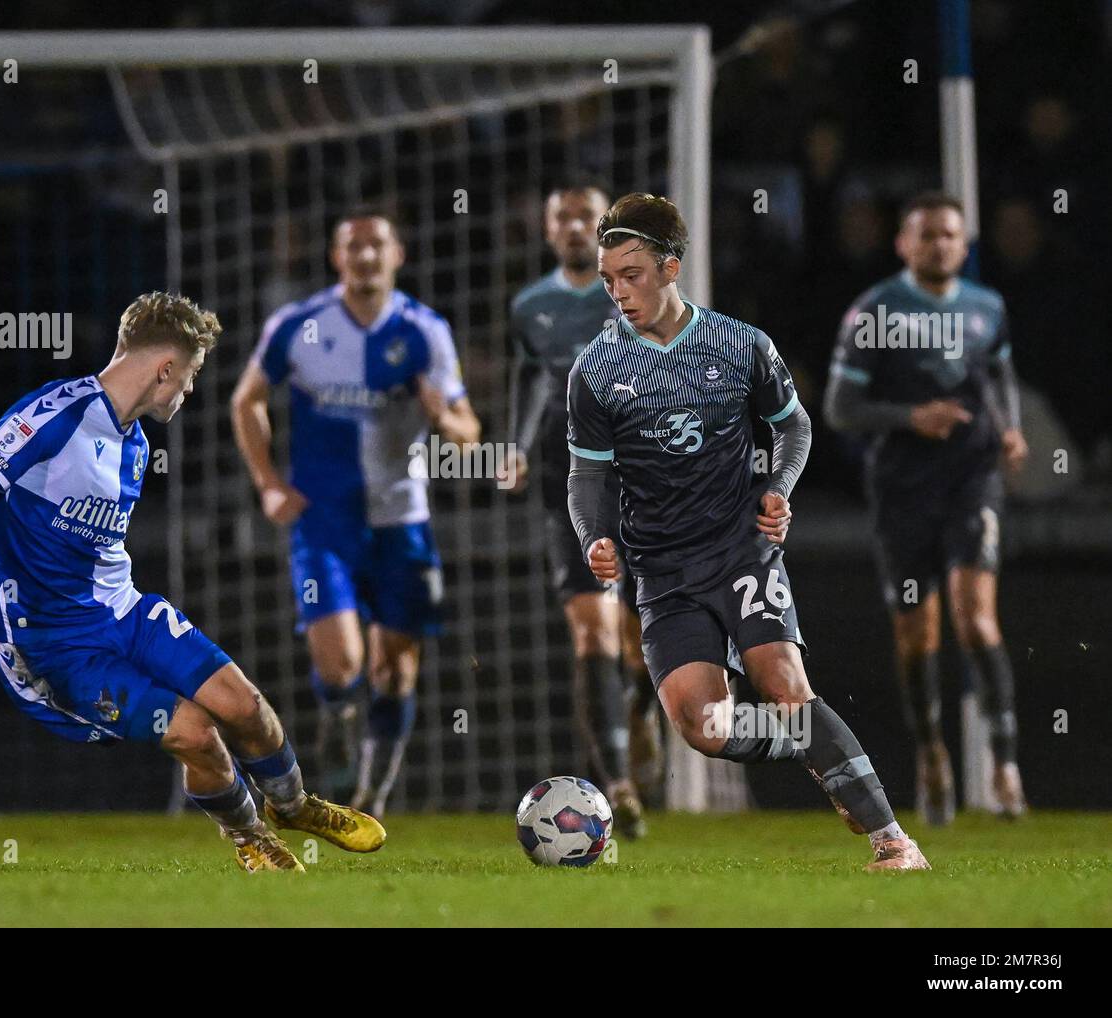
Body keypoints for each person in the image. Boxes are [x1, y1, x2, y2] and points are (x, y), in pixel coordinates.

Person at [0, 292, 385, 873]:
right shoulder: (55, 415)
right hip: (54, 645)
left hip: (125, 612)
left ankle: (293, 806)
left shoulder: (136, 445)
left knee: (245, 707)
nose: (189, 391)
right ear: (166, 368)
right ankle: (251, 839)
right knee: (195, 735)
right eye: (190, 376)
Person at [567, 192, 928, 871]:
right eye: (608, 277)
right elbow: (587, 476)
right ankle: (817, 746)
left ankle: (894, 843)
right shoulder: (595, 370)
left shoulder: (740, 345)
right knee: (706, 730)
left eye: (631, 274)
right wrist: (594, 535)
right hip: (662, 571)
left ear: (671, 268)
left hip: (739, 550)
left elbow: (794, 425)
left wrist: (779, 489)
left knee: (783, 680)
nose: (617, 291)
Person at [232, 210, 480, 817]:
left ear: (398, 254)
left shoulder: (426, 331)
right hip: (325, 522)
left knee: (395, 669)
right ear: (336, 257)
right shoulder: (299, 326)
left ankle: (373, 794)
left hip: (402, 522)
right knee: (342, 662)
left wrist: (445, 418)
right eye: (354, 246)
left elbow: (468, 429)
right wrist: (267, 483)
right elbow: (247, 401)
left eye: (377, 245)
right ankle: (339, 716)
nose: (366, 256)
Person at [823, 191, 1028, 824]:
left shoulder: (986, 306)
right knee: (919, 634)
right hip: (903, 490)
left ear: (965, 245)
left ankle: (1004, 768)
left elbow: (997, 379)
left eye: (950, 235)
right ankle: (931, 755)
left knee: (977, 622)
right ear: (903, 244)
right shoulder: (875, 311)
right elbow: (839, 409)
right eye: (928, 234)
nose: (940, 244)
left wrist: (1010, 430)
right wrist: (912, 417)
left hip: (970, 482)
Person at [503, 183, 657, 835]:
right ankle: (618, 784)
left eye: (584, 216)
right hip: (567, 483)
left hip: (642, 479)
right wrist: (512, 445)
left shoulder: (636, 294)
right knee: (591, 630)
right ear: (546, 230)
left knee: (640, 636)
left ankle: (641, 711)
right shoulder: (530, 306)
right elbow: (528, 376)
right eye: (560, 215)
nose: (572, 226)